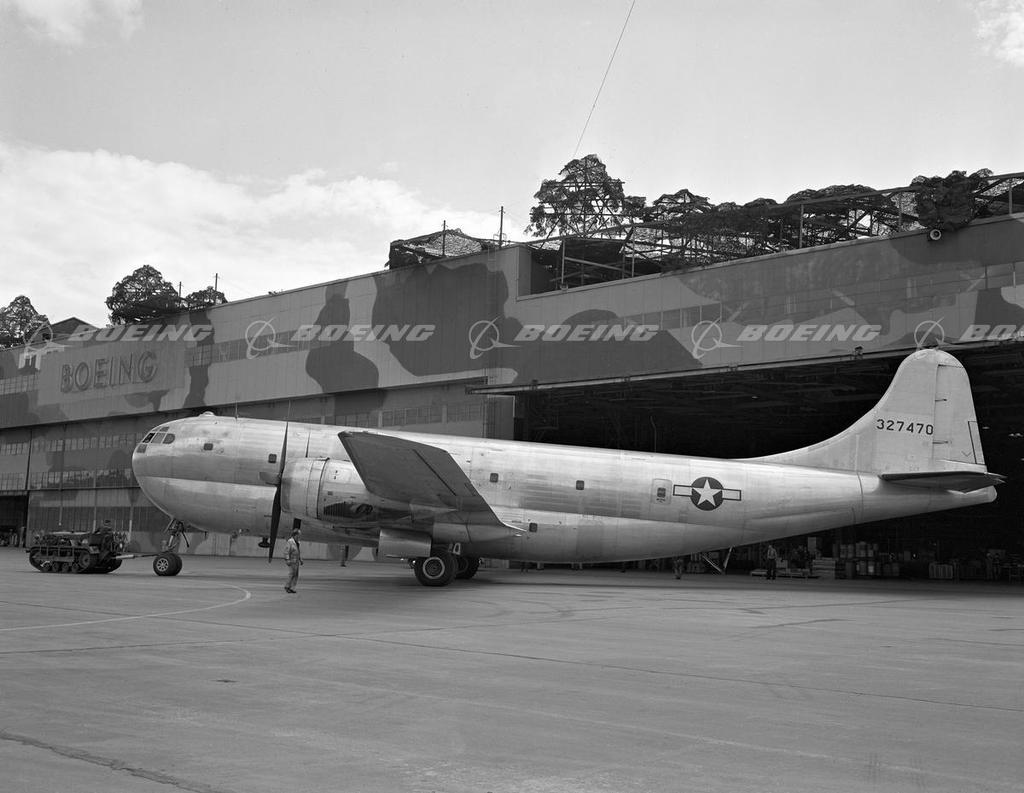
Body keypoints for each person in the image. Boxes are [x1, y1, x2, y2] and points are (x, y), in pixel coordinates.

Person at [284, 528, 302, 593]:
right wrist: (287, 559)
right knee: (291, 574)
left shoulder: (297, 542)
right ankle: (287, 586)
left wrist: (300, 559)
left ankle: (292, 588)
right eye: (298, 535)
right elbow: (286, 552)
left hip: (296, 561)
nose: (299, 536)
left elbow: (298, 552)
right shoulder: (290, 542)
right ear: (295, 535)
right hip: (291, 561)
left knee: (296, 575)